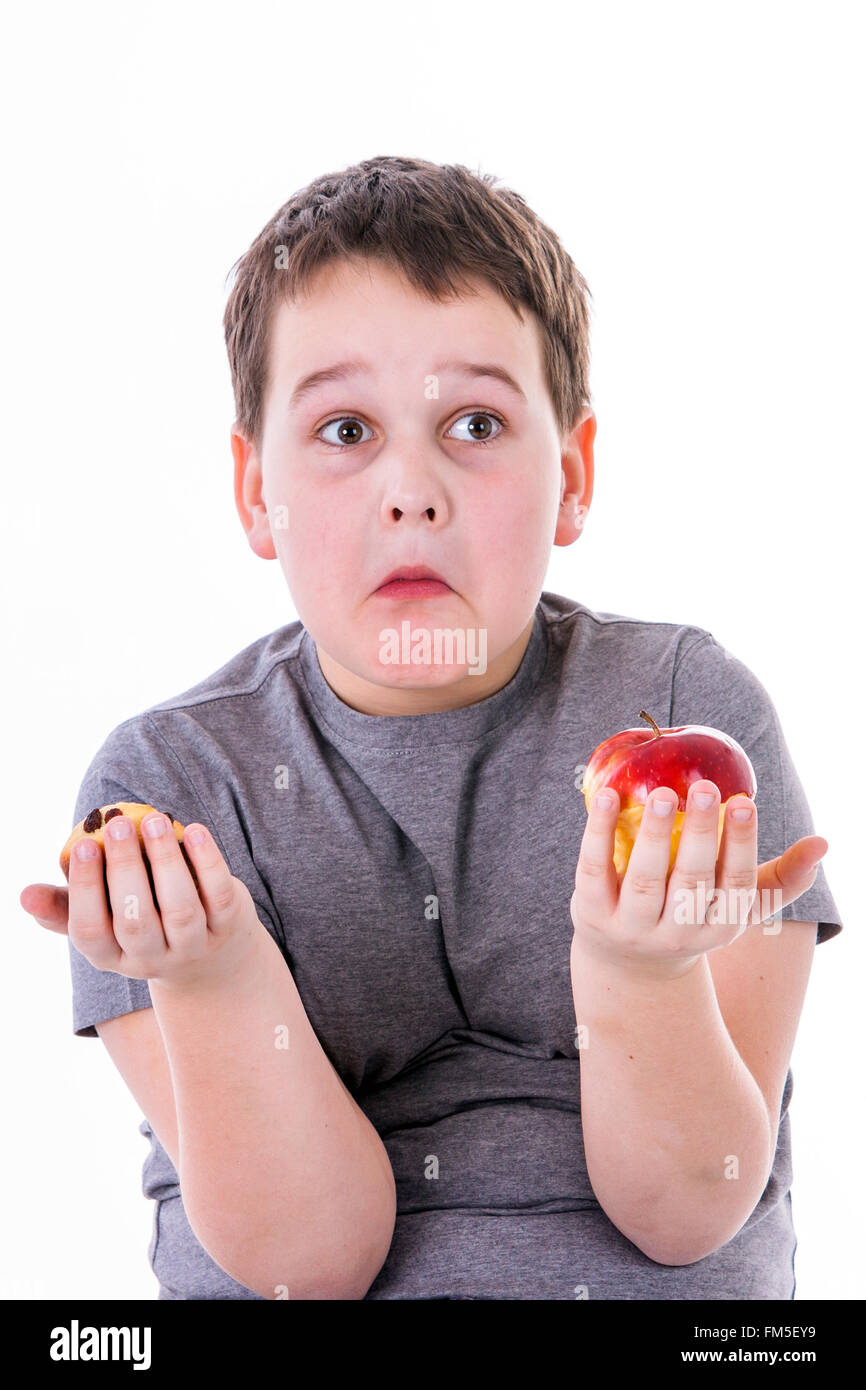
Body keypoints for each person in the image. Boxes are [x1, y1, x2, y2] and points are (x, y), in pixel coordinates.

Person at [20, 155, 843, 1300]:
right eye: (346, 429)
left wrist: (635, 972)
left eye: (473, 420)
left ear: (573, 475)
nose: (412, 488)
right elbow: (310, 1264)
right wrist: (213, 977)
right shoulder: (171, 790)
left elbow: (690, 1207)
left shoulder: (692, 717)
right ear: (257, 491)